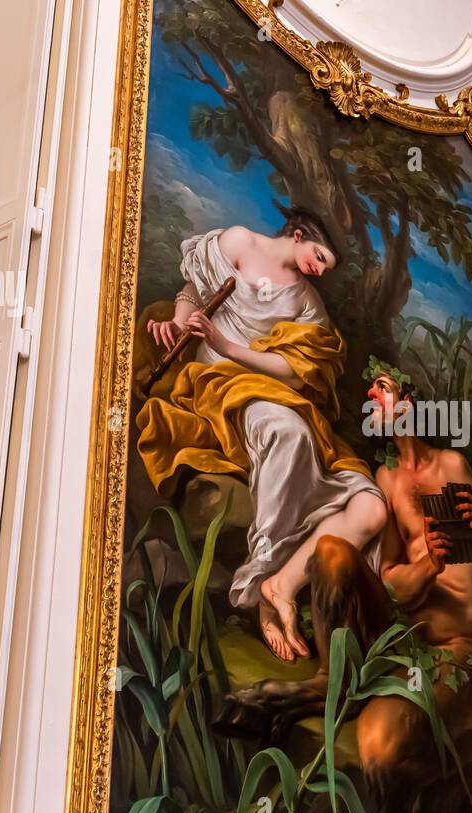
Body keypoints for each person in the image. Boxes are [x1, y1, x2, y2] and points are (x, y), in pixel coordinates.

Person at [215, 361, 472, 813]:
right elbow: (391, 580)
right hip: (401, 639)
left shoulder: (453, 466)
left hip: (452, 649)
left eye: (383, 389)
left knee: (377, 751)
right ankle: (327, 681)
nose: (373, 398)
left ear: (411, 405)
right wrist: (427, 567)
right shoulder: (387, 480)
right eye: (371, 394)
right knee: (333, 552)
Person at [137, 209, 387, 662]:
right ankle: (262, 578)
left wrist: (230, 342)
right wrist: (179, 325)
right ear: (298, 235)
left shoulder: (308, 303)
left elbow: (293, 373)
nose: (318, 270)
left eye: (325, 268)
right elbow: (195, 289)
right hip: (217, 379)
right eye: (318, 257)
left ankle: (280, 583)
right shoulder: (238, 241)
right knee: (287, 433)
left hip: (265, 386)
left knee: (357, 492)